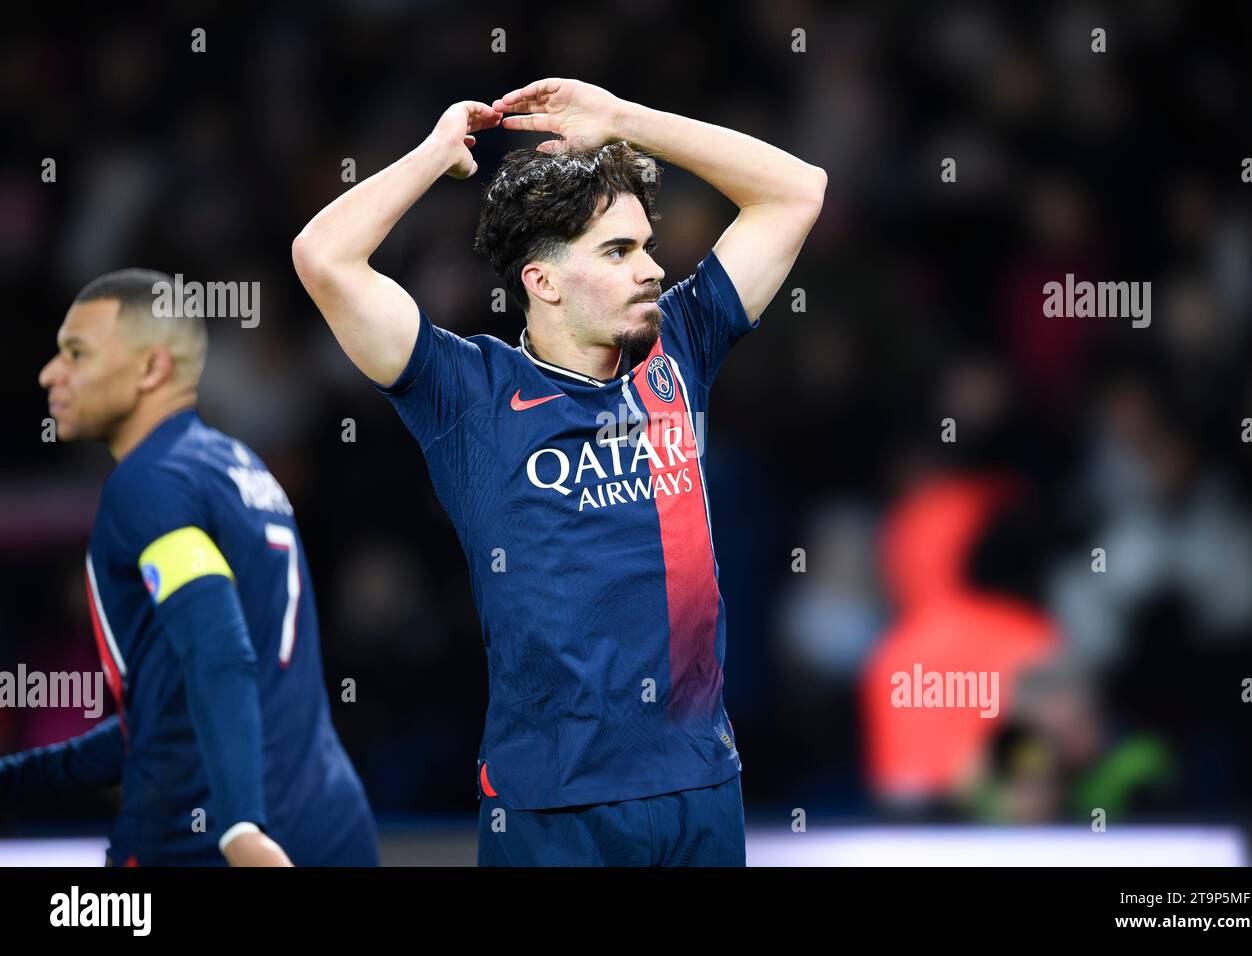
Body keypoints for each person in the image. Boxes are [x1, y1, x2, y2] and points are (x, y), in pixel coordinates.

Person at [293, 77, 825, 866]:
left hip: (701, 785)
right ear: (541, 282)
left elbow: (797, 190)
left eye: (646, 246)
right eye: (618, 251)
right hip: (551, 807)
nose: (651, 269)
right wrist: (434, 154)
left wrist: (623, 121)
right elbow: (322, 256)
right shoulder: (465, 392)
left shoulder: (682, 343)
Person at [1, 269, 379, 866]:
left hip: (206, 840)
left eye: (76, 353)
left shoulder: (150, 482)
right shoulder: (237, 466)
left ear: (150, 369)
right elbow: (171, 716)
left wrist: (240, 827)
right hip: (330, 822)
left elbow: (217, 651)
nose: (51, 373)